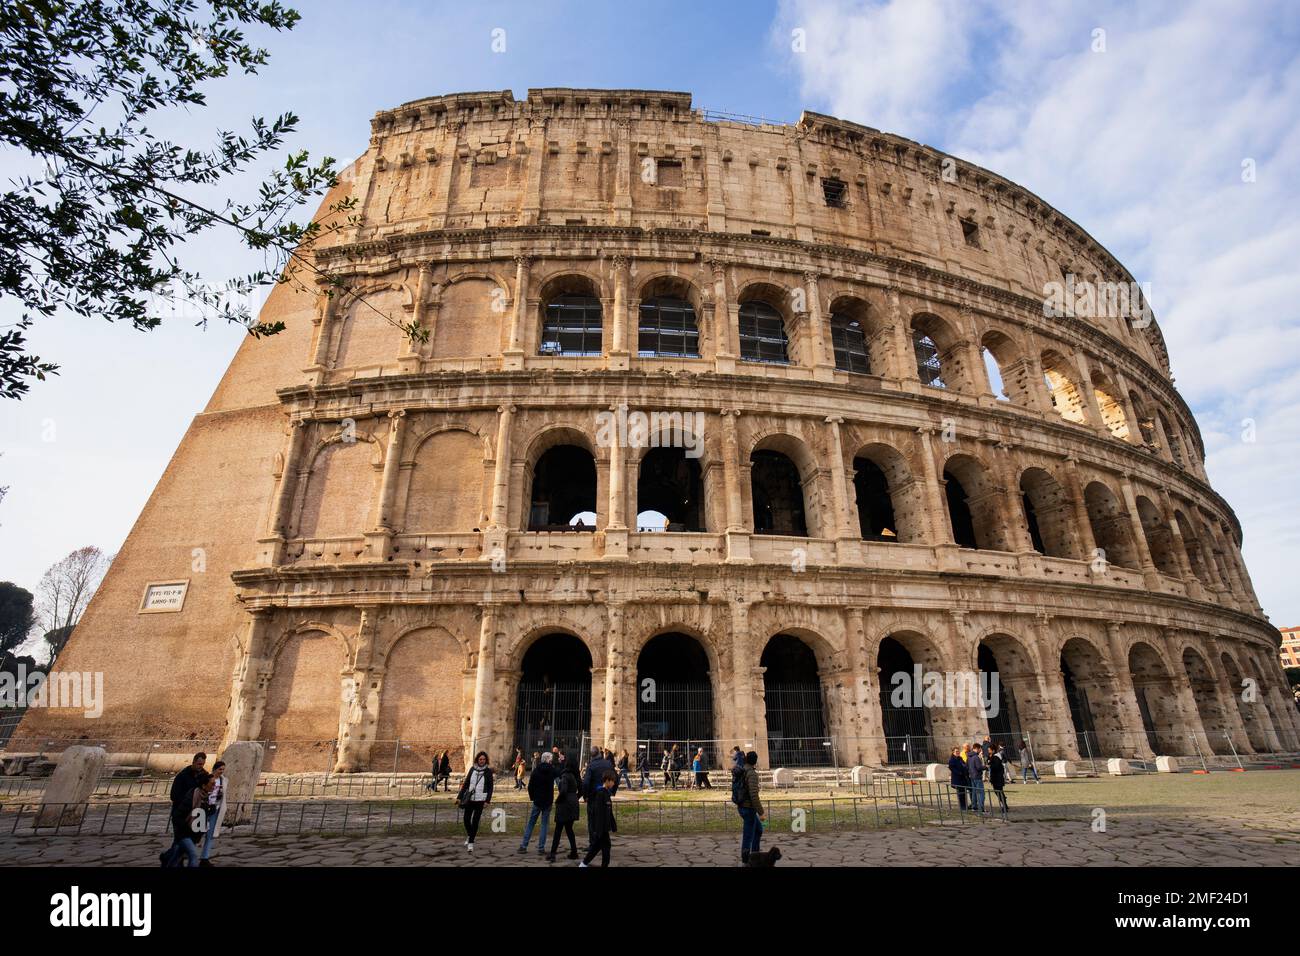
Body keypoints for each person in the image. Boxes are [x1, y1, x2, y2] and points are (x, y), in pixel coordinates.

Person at [161, 769, 211, 867]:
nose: (215, 786)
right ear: (204, 785)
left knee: (176, 855)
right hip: (185, 832)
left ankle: (166, 859)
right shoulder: (192, 795)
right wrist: (184, 829)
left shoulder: (205, 798)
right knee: (193, 856)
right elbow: (178, 813)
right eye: (212, 784)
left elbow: (203, 816)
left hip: (192, 833)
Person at [579, 769, 618, 867]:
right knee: (605, 846)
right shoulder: (601, 794)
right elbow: (599, 813)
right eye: (613, 781)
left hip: (603, 827)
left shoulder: (606, 793)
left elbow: (609, 811)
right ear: (607, 780)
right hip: (601, 827)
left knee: (597, 847)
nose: (614, 783)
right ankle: (586, 864)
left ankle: (584, 864)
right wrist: (599, 829)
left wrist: (613, 825)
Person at [519, 752, 556, 855]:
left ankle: (524, 845)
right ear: (548, 760)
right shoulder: (552, 770)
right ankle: (541, 848)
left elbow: (530, 786)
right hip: (547, 800)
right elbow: (559, 774)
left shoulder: (536, 770)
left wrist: (533, 797)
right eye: (551, 759)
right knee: (544, 824)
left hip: (538, 800)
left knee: (531, 822)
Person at [457, 751, 493, 852]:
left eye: (484, 759)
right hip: (470, 798)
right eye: (480, 759)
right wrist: (459, 797)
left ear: (486, 761)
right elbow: (466, 783)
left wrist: (487, 800)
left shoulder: (488, 771)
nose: (482, 761)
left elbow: (490, 787)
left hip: (480, 799)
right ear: (477, 760)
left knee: (475, 821)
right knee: (466, 819)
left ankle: (471, 843)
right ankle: (470, 835)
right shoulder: (472, 769)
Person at [547, 757, 582, 862]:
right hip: (573, 803)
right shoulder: (576, 776)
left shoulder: (566, 775)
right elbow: (582, 789)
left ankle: (553, 854)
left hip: (565, 804)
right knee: (569, 829)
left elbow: (563, 791)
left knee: (558, 830)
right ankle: (574, 852)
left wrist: (558, 800)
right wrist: (575, 797)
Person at [735, 750, 765, 864]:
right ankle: (746, 860)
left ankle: (755, 855)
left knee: (758, 830)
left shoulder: (742, 769)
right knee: (748, 835)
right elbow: (754, 795)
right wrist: (761, 812)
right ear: (755, 761)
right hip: (748, 808)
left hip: (742, 806)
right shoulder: (751, 773)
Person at [199, 759, 226, 865]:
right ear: (214, 769)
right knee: (198, 833)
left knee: (210, 835)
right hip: (203, 809)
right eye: (220, 769)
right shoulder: (207, 779)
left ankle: (204, 858)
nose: (222, 771)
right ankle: (185, 852)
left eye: (223, 769)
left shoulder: (224, 780)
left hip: (214, 809)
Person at [989, 744, 1010, 818]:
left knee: (999, 792)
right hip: (996, 777)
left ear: (993, 750)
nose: (988, 751)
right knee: (998, 792)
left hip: (997, 778)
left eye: (989, 750)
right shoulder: (993, 757)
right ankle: (1005, 805)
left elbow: (997, 766)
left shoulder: (996, 757)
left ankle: (1004, 806)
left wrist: (990, 765)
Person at [947, 746, 969, 812]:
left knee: (964, 792)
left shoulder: (960, 758)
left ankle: (965, 806)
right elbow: (952, 768)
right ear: (953, 752)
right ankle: (962, 807)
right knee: (960, 793)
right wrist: (959, 772)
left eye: (958, 751)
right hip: (957, 779)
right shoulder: (952, 760)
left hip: (963, 778)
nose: (958, 752)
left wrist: (965, 770)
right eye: (956, 751)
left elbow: (964, 765)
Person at [967, 743, 986, 814]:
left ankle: (974, 807)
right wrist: (985, 767)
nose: (980, 750)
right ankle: (981, 808)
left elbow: (967, 766)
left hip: (972, 776)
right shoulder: (976, 757)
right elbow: (979, 767)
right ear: (977, 748)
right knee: (981, 793)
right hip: (977, 776)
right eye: (980, 749)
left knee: (974, 792)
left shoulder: (969, 757)